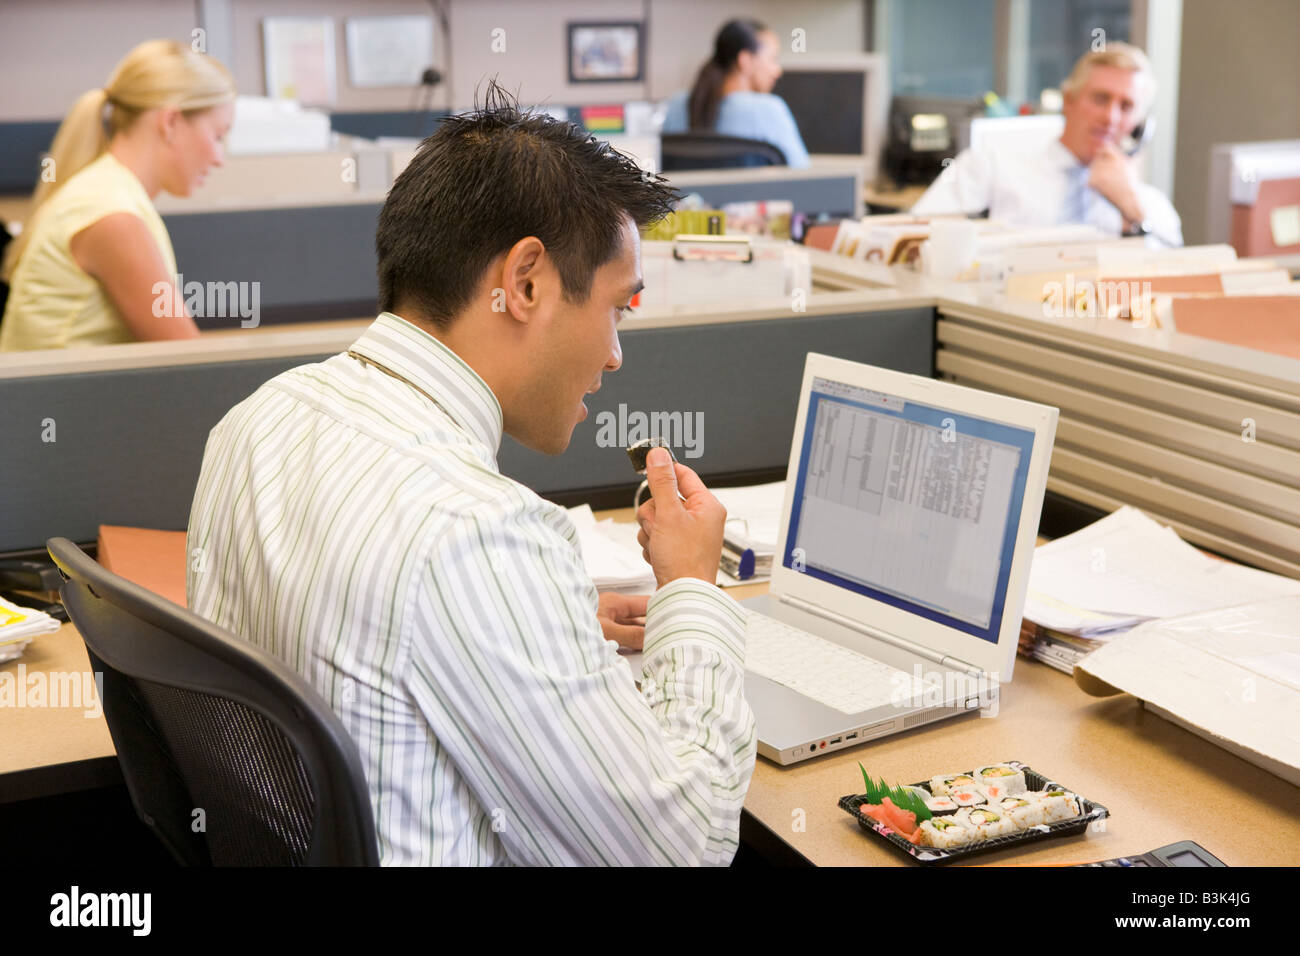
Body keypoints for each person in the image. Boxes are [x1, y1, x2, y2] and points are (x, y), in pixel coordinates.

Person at [186, 84, 757, 866]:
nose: (616, 354)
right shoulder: (477, 533)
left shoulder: (257, 421)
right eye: (619, 307)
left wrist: (531, 633)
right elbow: (683, 847)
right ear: (526, 282)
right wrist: (691, 591)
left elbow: (354, 639)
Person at [0, 40, 235, 351]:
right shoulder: (112, 216)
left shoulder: (106, 192)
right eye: (218, 135)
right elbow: (187, 361)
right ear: (171, 122)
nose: (220, 158)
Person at [911, 42, 1182, 247]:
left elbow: (1172, 284)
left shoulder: (1151, 207)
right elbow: (914, 236)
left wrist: (1130, 209)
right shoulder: (991, 165)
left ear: (1139, 122)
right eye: (1100, 99)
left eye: (1126, 106)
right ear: (1069, 100)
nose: (1110, 117)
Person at [662, 18, 810, 168]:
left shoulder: (678, 104)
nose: (777, 71)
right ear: (745, 60)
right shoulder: (768, 110)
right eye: (772, 59)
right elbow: (801, 175)